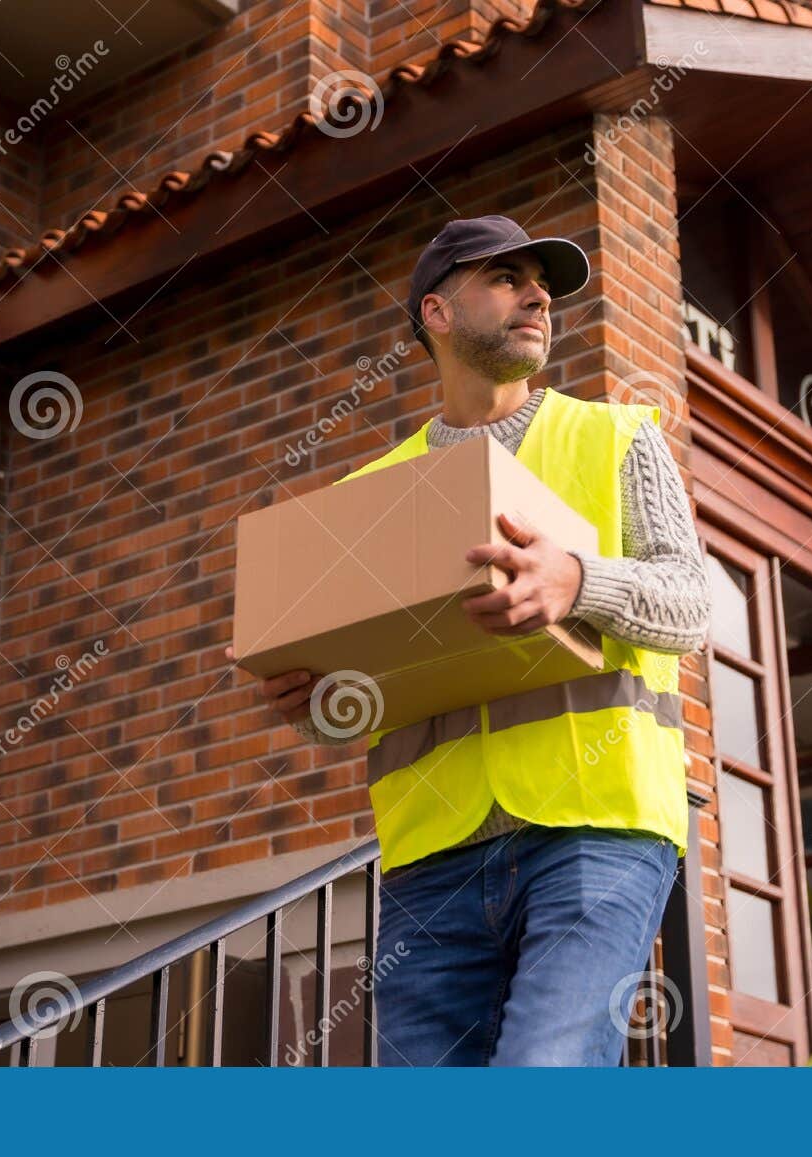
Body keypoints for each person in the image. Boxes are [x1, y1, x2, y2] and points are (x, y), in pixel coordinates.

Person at [225, 214, 710, 1065]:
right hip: (433, 860)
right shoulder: (371, 492)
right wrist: (311, 702)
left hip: (595, 831)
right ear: (437, 314)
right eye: (507, 276)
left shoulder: (618, 438)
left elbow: (694, 604)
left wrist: (579, 581)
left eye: (544, 283)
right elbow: (376, 686)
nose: (538, 295)